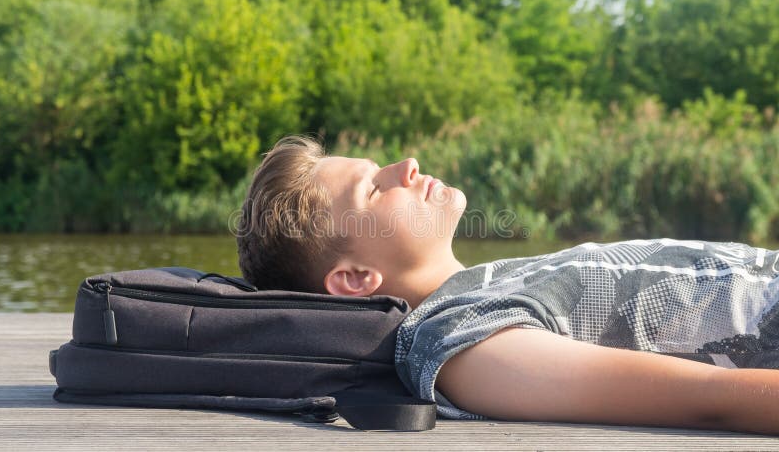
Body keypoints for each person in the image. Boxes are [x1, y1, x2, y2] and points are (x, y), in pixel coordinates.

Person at [235, 135, 779, 435]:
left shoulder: (487, 285)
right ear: (355, 278)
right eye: (374, 190)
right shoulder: (460, 340)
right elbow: (709, 398)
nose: (407, 165)